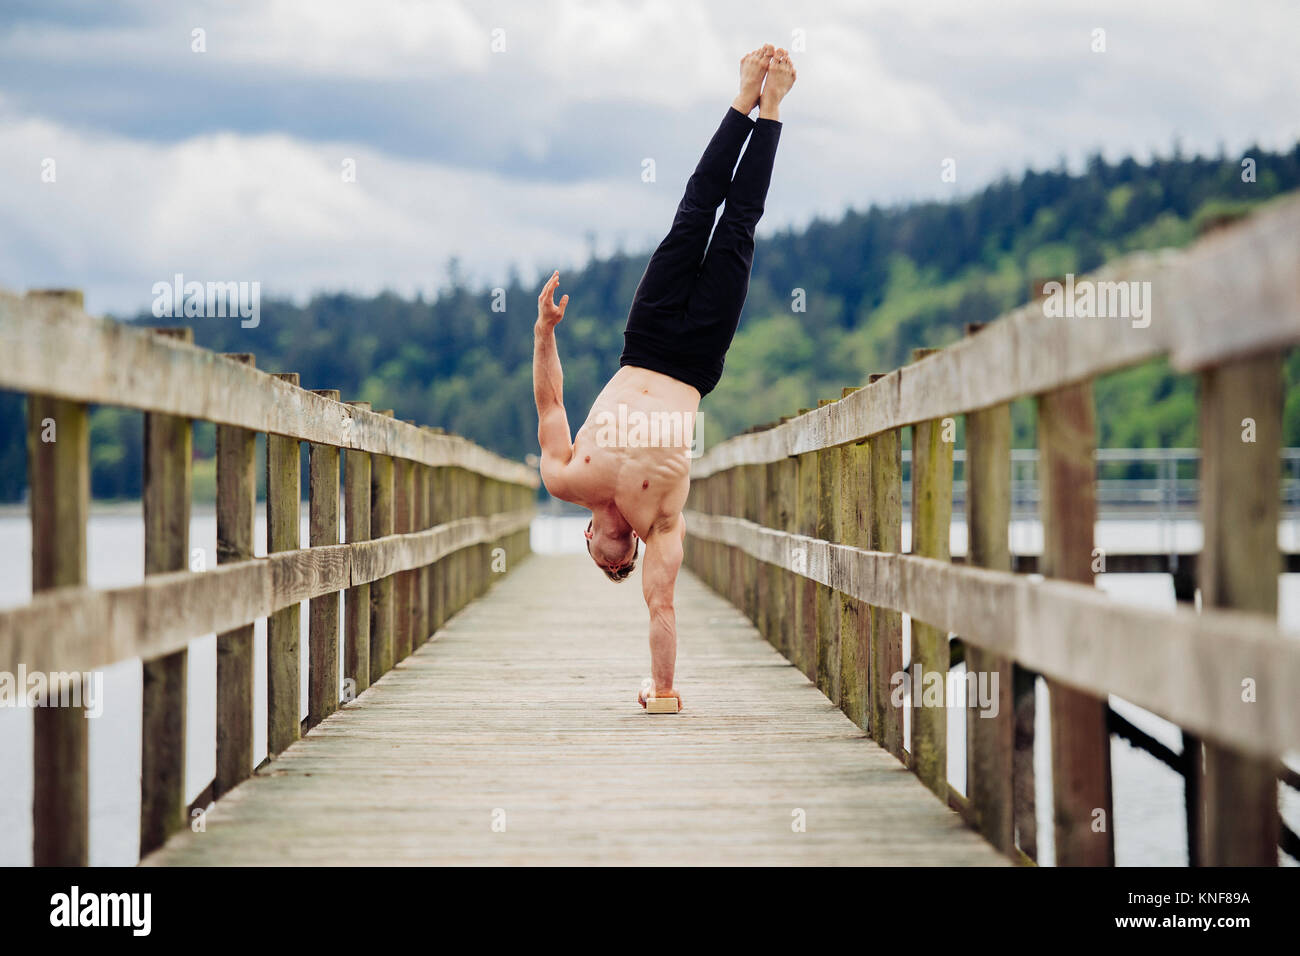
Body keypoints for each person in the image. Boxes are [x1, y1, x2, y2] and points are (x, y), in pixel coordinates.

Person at [532, 45, 796, 710]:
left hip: (645, 339)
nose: (618, 562)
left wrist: (543, 334)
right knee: (737, 229)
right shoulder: (664, 526)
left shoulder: (568, 477)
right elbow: (663, 605)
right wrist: (664, 691)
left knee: (691, 216)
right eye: (624, 567)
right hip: (699, 361)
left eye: (608, 565)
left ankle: (740, 97)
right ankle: (770, 113)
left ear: (591, 543)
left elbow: (551, 399)